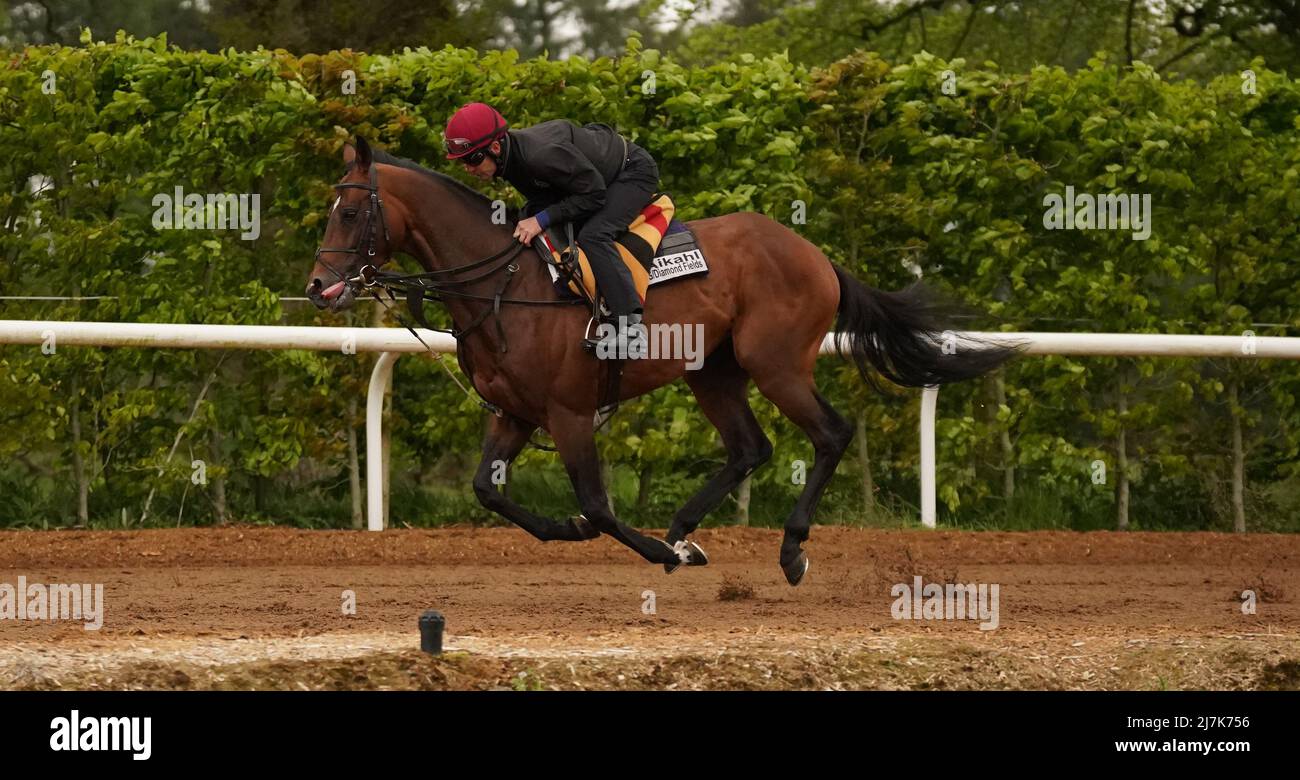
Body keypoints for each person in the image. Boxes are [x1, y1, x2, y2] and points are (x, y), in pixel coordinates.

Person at [444, 102, 656, 355]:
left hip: (631, 173)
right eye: (462, 162)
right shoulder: (509, 161)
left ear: (496, 147)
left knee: (593, 236)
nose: (468, 168)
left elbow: (595, 195)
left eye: (472, 159)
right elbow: (548, 197)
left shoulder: (537, 155)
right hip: (594, 177)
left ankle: (631, 330)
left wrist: (541, 220)